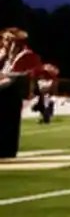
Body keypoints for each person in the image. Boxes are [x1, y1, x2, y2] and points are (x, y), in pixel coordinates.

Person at [0, 28, 42, 157]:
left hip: (11, 93)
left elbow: (26, 74)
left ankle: (7, 151)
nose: (4, 42)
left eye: (8, 40)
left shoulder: (27, 56)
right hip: (4, 92)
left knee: (9, 124)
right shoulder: (5, 56)